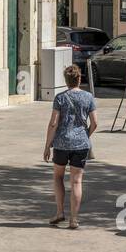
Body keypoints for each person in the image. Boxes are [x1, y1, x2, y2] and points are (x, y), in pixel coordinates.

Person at [43, 63, 97, 230]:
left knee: (58, 177)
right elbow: (95, 123)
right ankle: (74, 219)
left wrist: (47, 146)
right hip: (80, 145)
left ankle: (59, 213)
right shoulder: (88, 97)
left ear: (66, 81)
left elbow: (53, 123)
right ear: (79, 79)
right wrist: (84, 136)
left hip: (61, 144)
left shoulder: (60, 98)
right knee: (76, 181)